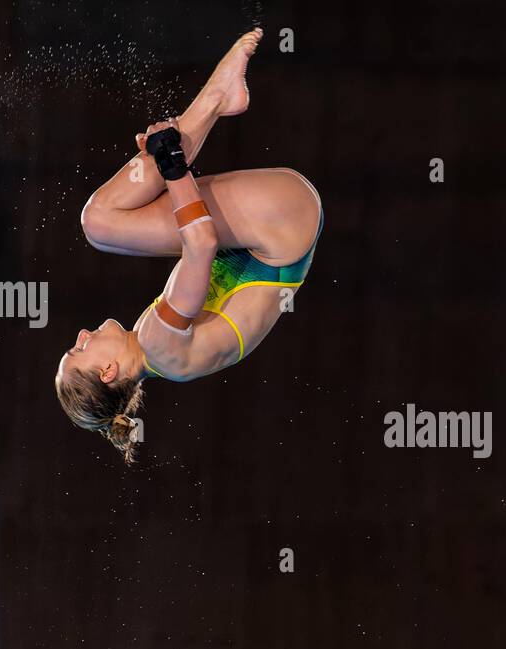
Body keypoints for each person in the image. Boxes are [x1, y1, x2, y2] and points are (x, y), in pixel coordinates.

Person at [56, 27, 323, 463]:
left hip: (279, 230)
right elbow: (199, 241)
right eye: (78, 350)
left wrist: (161, 171)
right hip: (280, 227)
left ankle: (215, 102)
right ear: (109, 373)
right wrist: (171, 164)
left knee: (108, 222)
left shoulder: (157, 352)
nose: (82, 335)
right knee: (101, 223)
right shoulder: (159, 343)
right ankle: (213, 101)